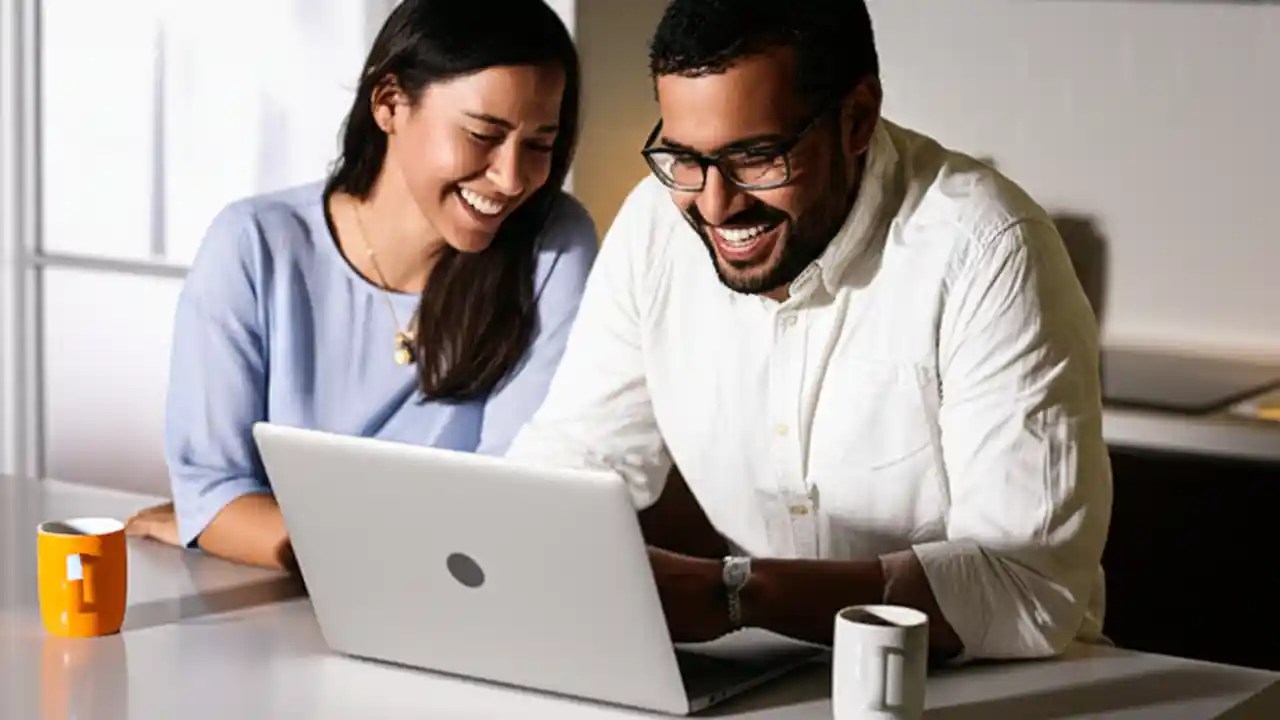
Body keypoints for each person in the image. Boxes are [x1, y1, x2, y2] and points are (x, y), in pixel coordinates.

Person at [507, 0, 1112, 662]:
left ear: (856, 118)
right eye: (684, 158)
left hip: (1005, 682)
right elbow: (574, 464)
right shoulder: (655, 225)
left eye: (757, 158)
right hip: (779, 668)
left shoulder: (986, 248)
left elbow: (1026, 588)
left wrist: (736, 594)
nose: (714, 204)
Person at [125, 0, 596, 570]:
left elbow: (520, 504)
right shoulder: (252, 247)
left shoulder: (553, 248)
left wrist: (278, 532)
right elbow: (214, 492)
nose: (512, 177)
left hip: (466, 615)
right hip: (283, 615)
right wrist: (230, 519)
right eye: (482, 135)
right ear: (390, 103)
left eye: (540, 146)